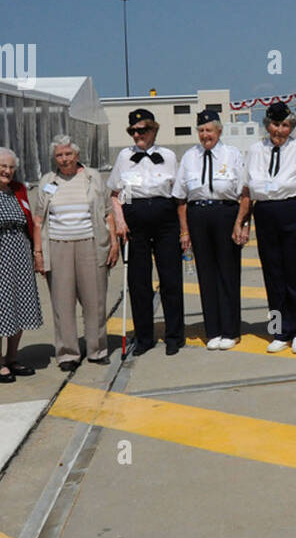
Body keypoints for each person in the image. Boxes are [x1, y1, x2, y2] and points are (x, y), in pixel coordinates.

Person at [33, 135, 118, 371]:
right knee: (62, 302)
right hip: (58, 245)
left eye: (68, 154)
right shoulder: (48, 181)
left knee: (95, 301)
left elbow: (108, 214)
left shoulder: (93, 178)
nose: (64, 159)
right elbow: (38, 219)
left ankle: (97, 349)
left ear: (77, 155)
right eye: (59, 155)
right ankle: (67, 353)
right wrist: (38, 253)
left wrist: (113, 244)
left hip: (90, 243)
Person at [109, 109, 184, 356]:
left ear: (154, 130)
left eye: (143, 130)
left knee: (170, 278)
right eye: (133, 131)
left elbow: (179, 193)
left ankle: (174, 335)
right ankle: (144, 337)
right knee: (138, 281)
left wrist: (184, 230)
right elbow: (115, 194)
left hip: (165, 218)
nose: (138, 135)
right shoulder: (124, 157)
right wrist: (119, 221)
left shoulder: (169, 156)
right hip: (134, 221)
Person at [244, 102, 296, 353]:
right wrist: (242, 222)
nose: (279, 131)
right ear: (267, 125)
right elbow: (246, 189)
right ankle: (278, 330)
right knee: (273, 275)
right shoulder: (255, 150)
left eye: (285, 125)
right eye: (275, 125)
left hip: (294, 210)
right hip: (265, 213)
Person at [175, 109, 248, 350]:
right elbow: (180, 198)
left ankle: (230, 329)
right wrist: (184, 231)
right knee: (205, 274)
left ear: (219, 131)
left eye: (209, 130)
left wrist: (241, 223)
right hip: (198, 215)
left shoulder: (232, 154)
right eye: (201, 130)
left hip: (226, 213)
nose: (205, 135)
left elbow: (245, 193)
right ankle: (213, 330)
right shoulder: (189, 157)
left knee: (227, 273)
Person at [0, 147, 43, 382]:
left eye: (11, 167)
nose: (8, 171)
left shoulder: (19, 189)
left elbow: (30, 221)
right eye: (3, 166)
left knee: (21, 303)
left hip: (21, 252)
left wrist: (36, 252)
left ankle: (13, 357)